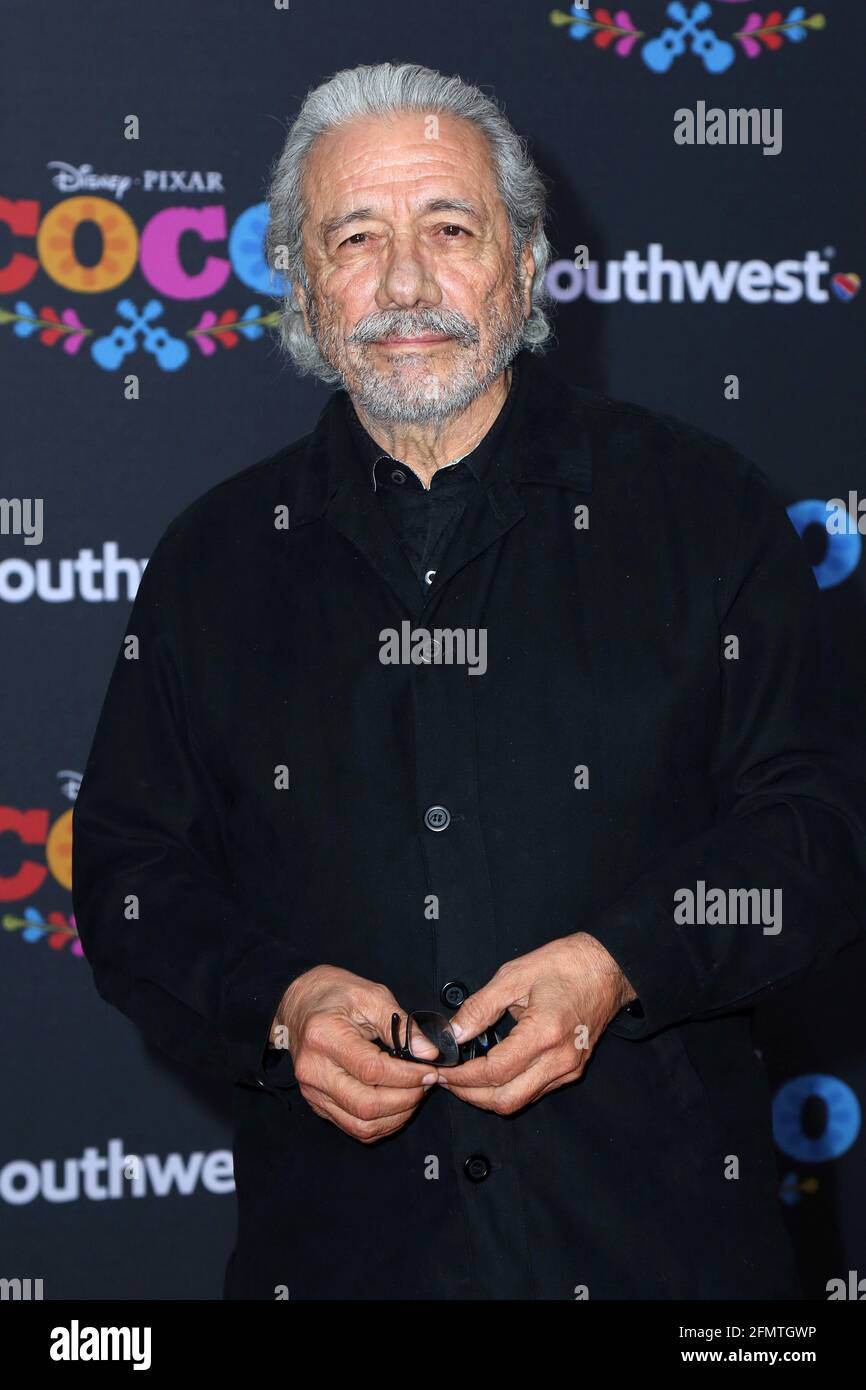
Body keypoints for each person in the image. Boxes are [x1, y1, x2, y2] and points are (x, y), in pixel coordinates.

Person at [72, 61, 865, 1300]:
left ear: (525, 259)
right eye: (354, 239)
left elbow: (819, 827)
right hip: (339, 1263)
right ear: (300, 282)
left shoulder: (703, 513)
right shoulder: (210, 564)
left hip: (663, 1261)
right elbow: (130, 874)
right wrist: (281, 1003)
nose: (403, 285)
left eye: (448, 229)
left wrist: (622, 963)